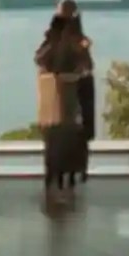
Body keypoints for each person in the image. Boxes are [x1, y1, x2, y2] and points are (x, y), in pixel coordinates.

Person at [35, 15, 91, 198]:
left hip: (69, 99)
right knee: (55, 140)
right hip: (55, 100)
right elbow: (39, 60)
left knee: (68, 138)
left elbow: (87, 66)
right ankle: (54, 174)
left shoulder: (79, 45)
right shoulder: (49, 45)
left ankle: (68, 174)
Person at [57, 0, 95, 177]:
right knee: (73, 127)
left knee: (76, 127)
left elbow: (86, 64)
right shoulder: (66, 33)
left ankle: (76, 167)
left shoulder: (71, 34)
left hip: (75, 85)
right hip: (68, 85)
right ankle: (74, 167)